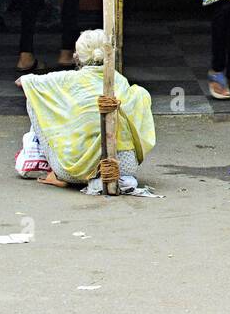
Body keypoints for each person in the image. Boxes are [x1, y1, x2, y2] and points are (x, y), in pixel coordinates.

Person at [15, 29, 155, 195]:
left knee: (34, 97)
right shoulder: (119, 79)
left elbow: (22, 82)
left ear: (76, 57)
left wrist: (60, 99)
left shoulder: (67, 79)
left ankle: (66, 173)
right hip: (124, 166)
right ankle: (112, 179)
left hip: (76, 170)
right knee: (137, 96)